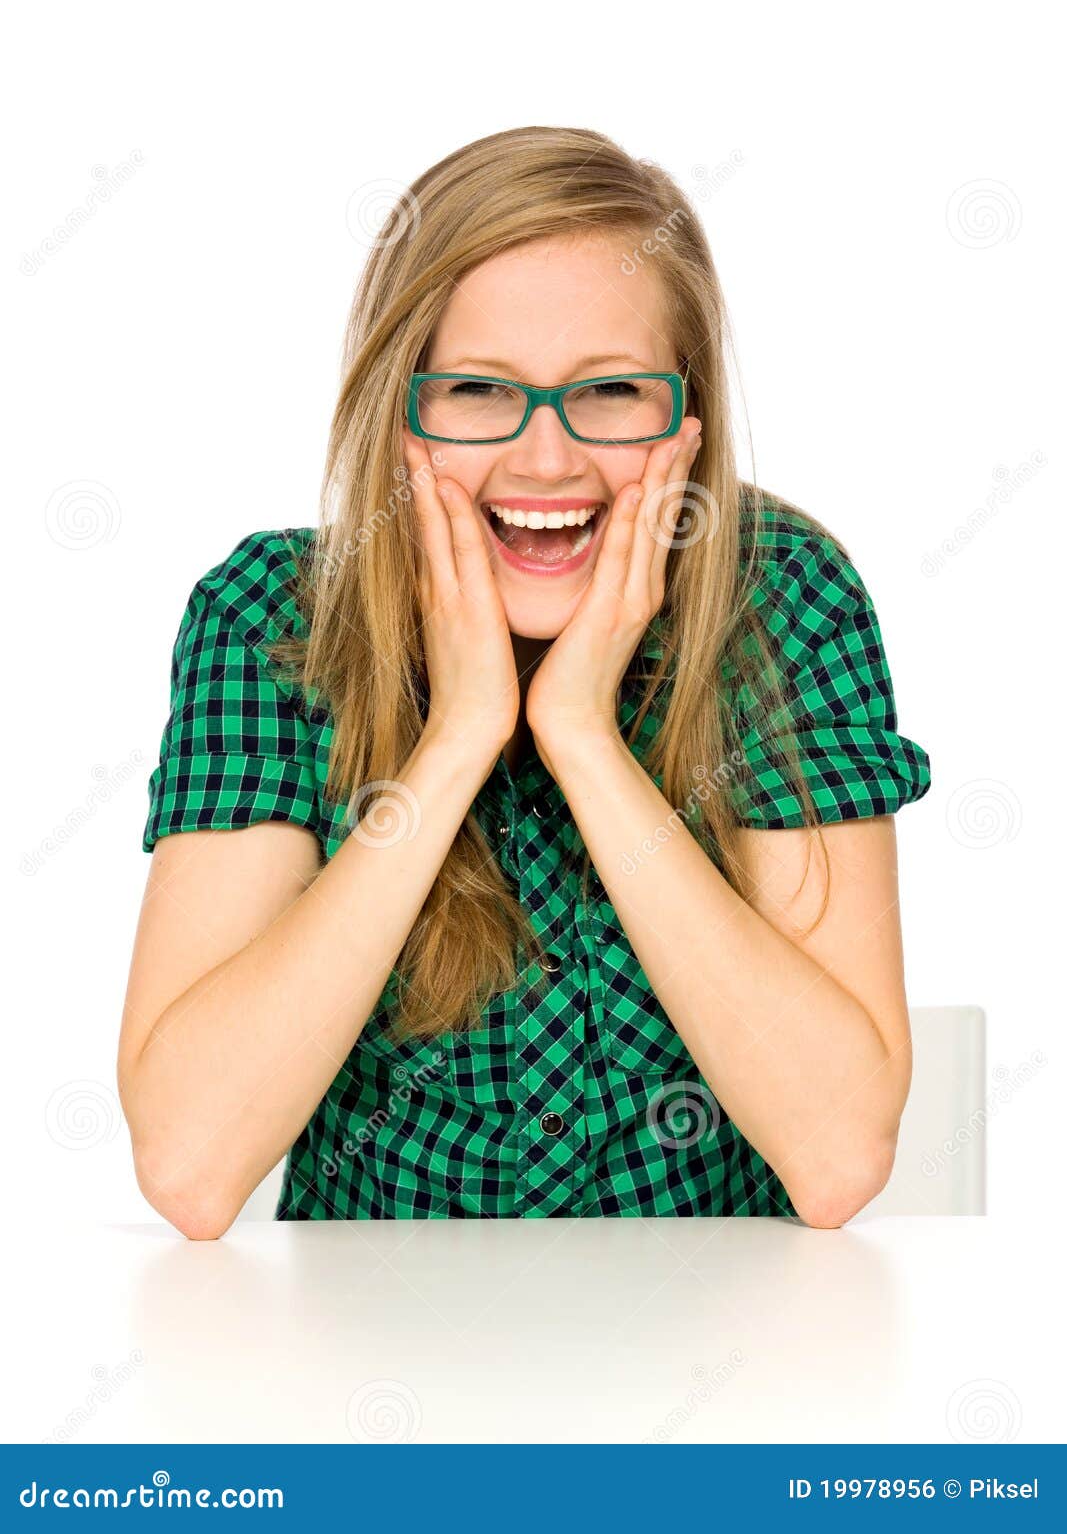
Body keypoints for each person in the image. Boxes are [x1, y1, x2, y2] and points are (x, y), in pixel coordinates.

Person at [117, 125, 931, 1238]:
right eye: (478, 392)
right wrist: (458, 735)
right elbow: (189, 1164)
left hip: (723, 1362)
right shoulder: (273, 618)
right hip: (363, 1371)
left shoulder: (778, 597)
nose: (545, 460)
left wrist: (582, 737)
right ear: (397, 410)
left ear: (685, 424)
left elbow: (837, 1152)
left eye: (606, 393)